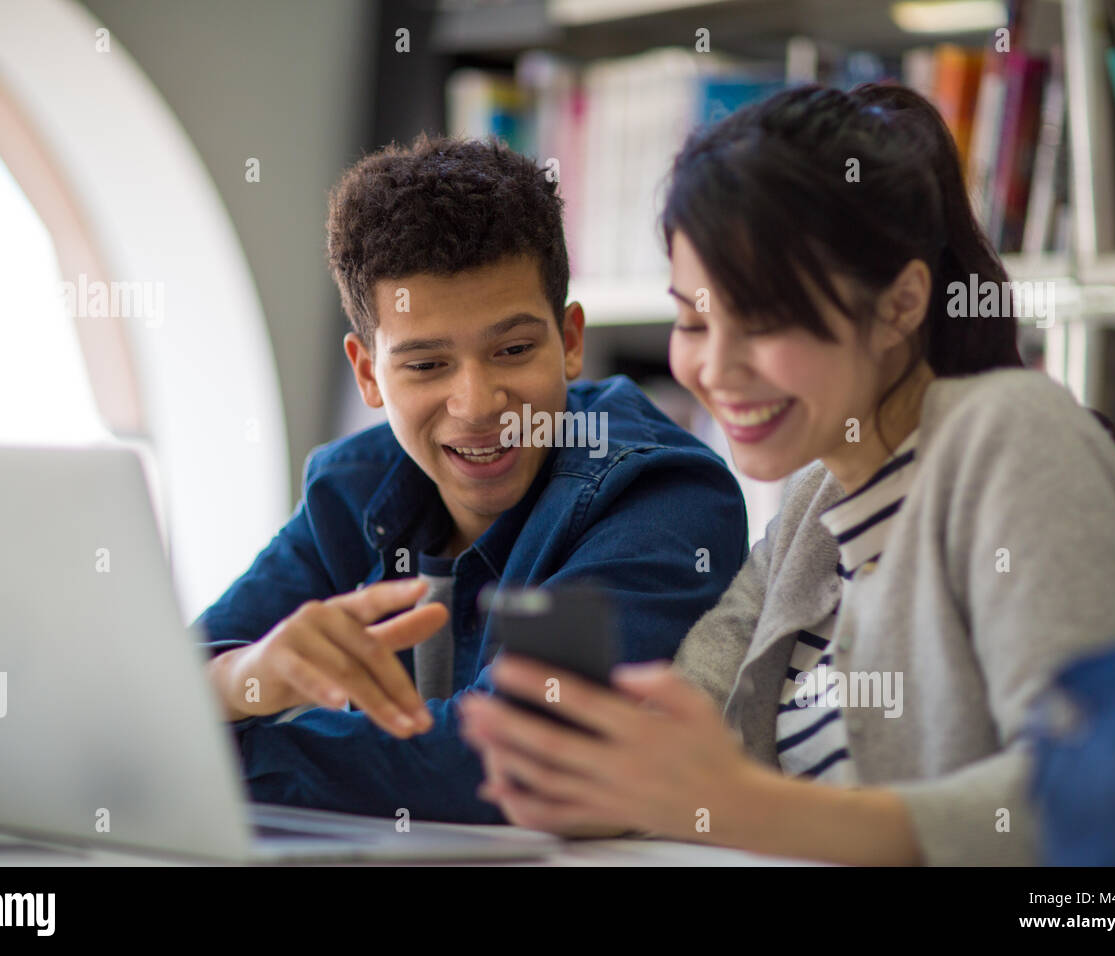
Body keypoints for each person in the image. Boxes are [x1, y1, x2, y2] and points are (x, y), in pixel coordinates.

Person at [458, 83, 1115, 864]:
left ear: (901, 303)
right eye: (694, 320)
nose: (717, 367)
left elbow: (1074, 797)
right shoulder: (814, 508)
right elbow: (693, 731)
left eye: (765, 320)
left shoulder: (1017, 438)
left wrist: (739, 808)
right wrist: (589, 778)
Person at [195, 134, 748, 822]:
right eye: (426, 365)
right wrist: (246, 678)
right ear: (368, 373)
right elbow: (161, 683)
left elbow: (506, 766)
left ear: (570, 340)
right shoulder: (352, 489)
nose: (478, 405)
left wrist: (214, 747)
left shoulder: (662, 496)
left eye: (513, 350)